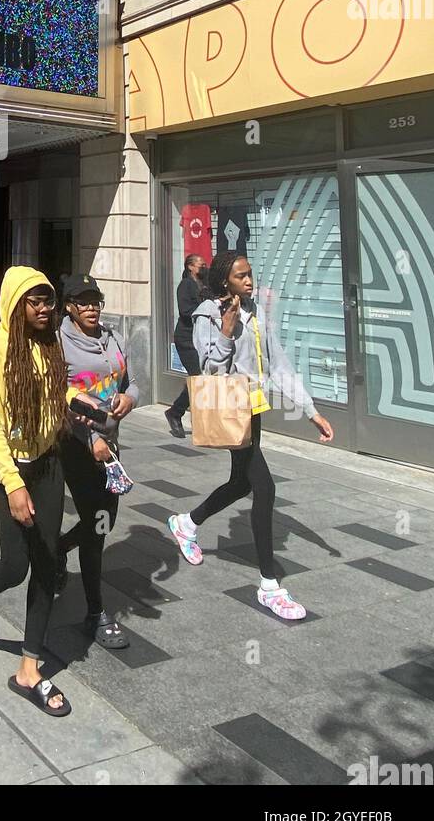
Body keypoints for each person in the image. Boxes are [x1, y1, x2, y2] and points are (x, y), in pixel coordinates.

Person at [167, 250, 334, 620]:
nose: (248, 280)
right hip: (229, 408)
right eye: (240, 275)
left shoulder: (254, 311)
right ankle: (269, 586)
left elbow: (279, 365)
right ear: (224, 280)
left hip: (252, 408)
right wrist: (226, 333)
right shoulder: (208, 313)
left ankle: (187, 523)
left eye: (250, 274)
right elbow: (209, 370)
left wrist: (311, 411)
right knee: (265, 487)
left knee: (241, 482)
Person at [0, 268, 72, 717]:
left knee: (46, 563)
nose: (43, 309)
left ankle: (28, 669)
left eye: (48, 300)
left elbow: (55, 394)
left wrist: (83, 405)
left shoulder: (50, 342)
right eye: (33, 302)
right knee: (15, 565)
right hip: (11, 467)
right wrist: (13, 482)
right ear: (14, 304)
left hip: (49, 464)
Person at [57, 274, 138, 650]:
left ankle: (59, 548)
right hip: (75, 445)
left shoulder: (112, 337)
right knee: (95, 527)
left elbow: (131, 382)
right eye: (83, 302)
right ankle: (96, 612)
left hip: (111, 444)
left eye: (96, 301)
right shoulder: (59, 343)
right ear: (69, 307)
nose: (91, 308)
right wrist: (91, 439)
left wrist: (130, 399)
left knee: (106, 521)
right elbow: (57, 397)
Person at [165, 254, 207, 438]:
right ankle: (175, 412)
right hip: (187, 339)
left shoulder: (205, 284)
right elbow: (185, 311)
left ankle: (199, 419)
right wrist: (204, 309)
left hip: (202, 338)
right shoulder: (186, 285)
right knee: (198, 377)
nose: (204, 267)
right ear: (190, 267)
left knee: (203, 379)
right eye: (201, 265)